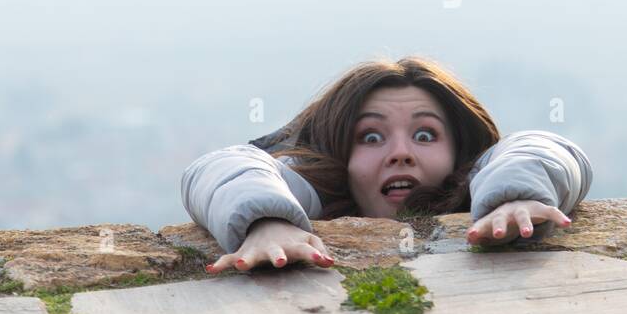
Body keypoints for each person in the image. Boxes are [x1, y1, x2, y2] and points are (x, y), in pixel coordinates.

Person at [179, 55, 593, 273]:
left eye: (425, 134)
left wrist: (513, 197)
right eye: (371, 137)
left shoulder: (480, 179)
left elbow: (539, 146)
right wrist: (267, 222)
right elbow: (221, 166)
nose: (401, 152)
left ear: (458, 154)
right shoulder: (312, 193)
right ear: (340, 155)